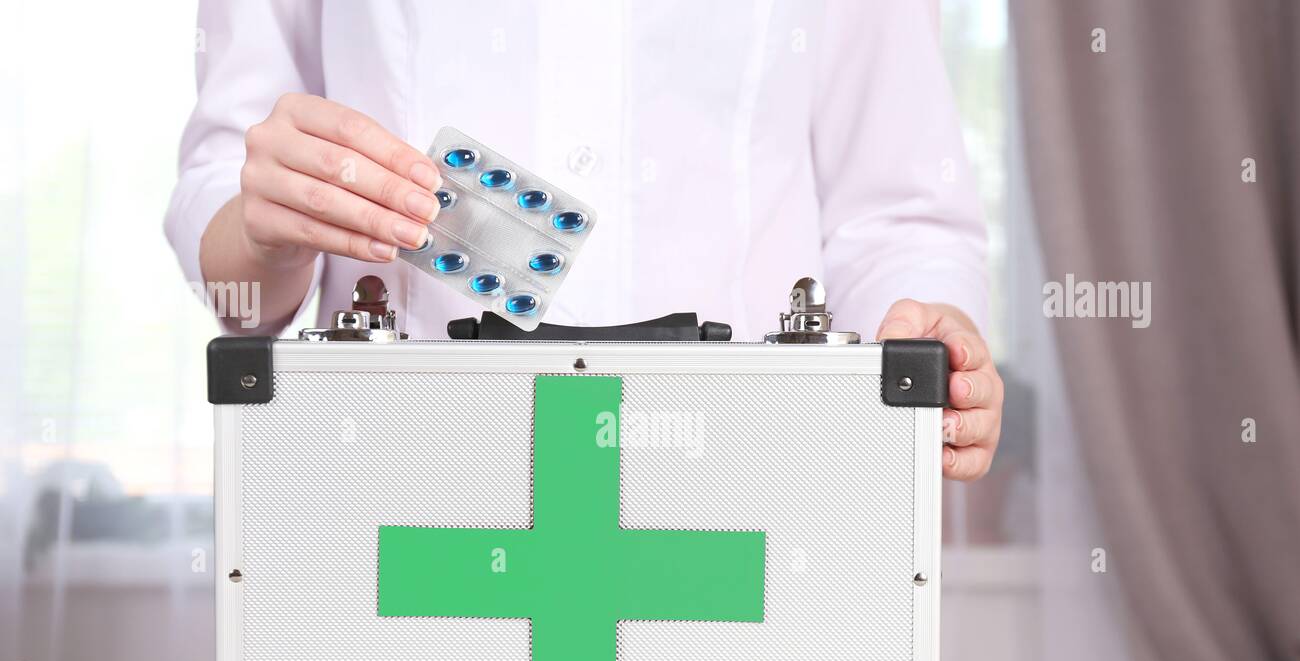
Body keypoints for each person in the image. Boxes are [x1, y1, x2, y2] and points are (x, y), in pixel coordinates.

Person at [166, 0, 1002, 479]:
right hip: (401, 482)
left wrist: (931, 347)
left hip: (744, 489)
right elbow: (234, 274)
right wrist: (267, 233)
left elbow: (895, 220)